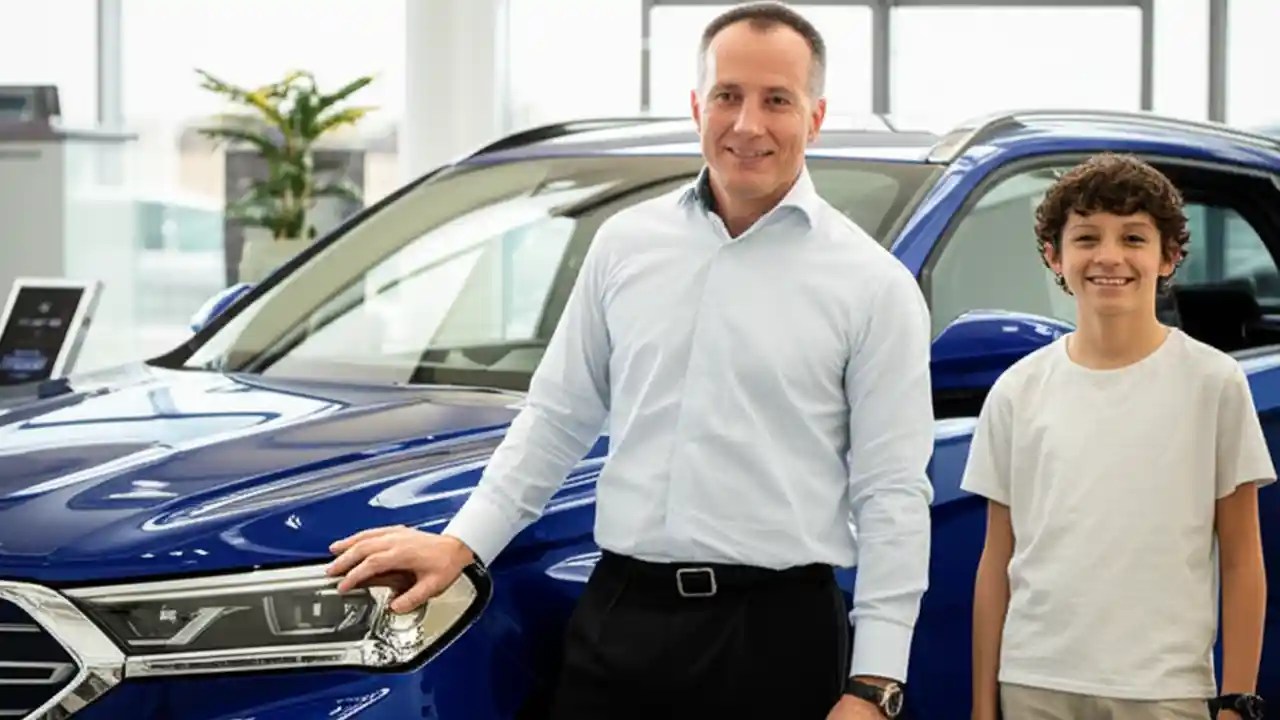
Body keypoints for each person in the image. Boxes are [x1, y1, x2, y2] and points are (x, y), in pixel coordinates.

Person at [326, 2, 935, 718]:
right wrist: (462, 543)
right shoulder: (625, 246)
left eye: (777, 100)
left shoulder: (872, 286)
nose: (747, 124)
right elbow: (557, 417)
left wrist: (875, 684)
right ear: (696, 105)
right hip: (621, 618)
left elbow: (893, 494)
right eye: (727, 96)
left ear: (816, 116)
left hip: (776, 634)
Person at [963, 153, 1272, 720]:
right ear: (1054, 256)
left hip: (1164, 690)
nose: (1109, 257)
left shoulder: (1214, 384)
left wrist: (1236, 702)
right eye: (1086, 238)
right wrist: (985, 706)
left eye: (1133, 237)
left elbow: (1241, 559)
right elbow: (996, 561)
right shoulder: (1016, 391)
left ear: (1169, 256)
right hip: (1034, 683)